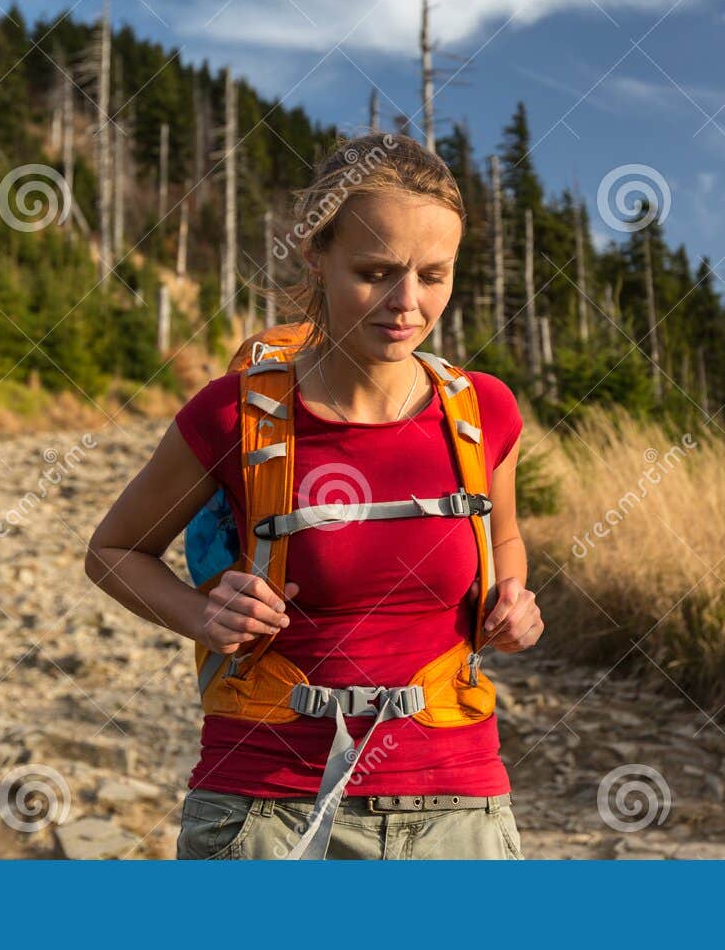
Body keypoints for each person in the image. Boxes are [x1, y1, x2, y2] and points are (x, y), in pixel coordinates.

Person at [84, 132, 544, 859]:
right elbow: (112, 551)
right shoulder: (231, 415)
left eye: (434, 274)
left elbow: (503, 536)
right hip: (266, 805)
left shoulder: (484, 411)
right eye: (375, 271)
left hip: (459, 799)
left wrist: (514, 598)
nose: (407, 302)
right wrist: (201, 614)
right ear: (315, 257)